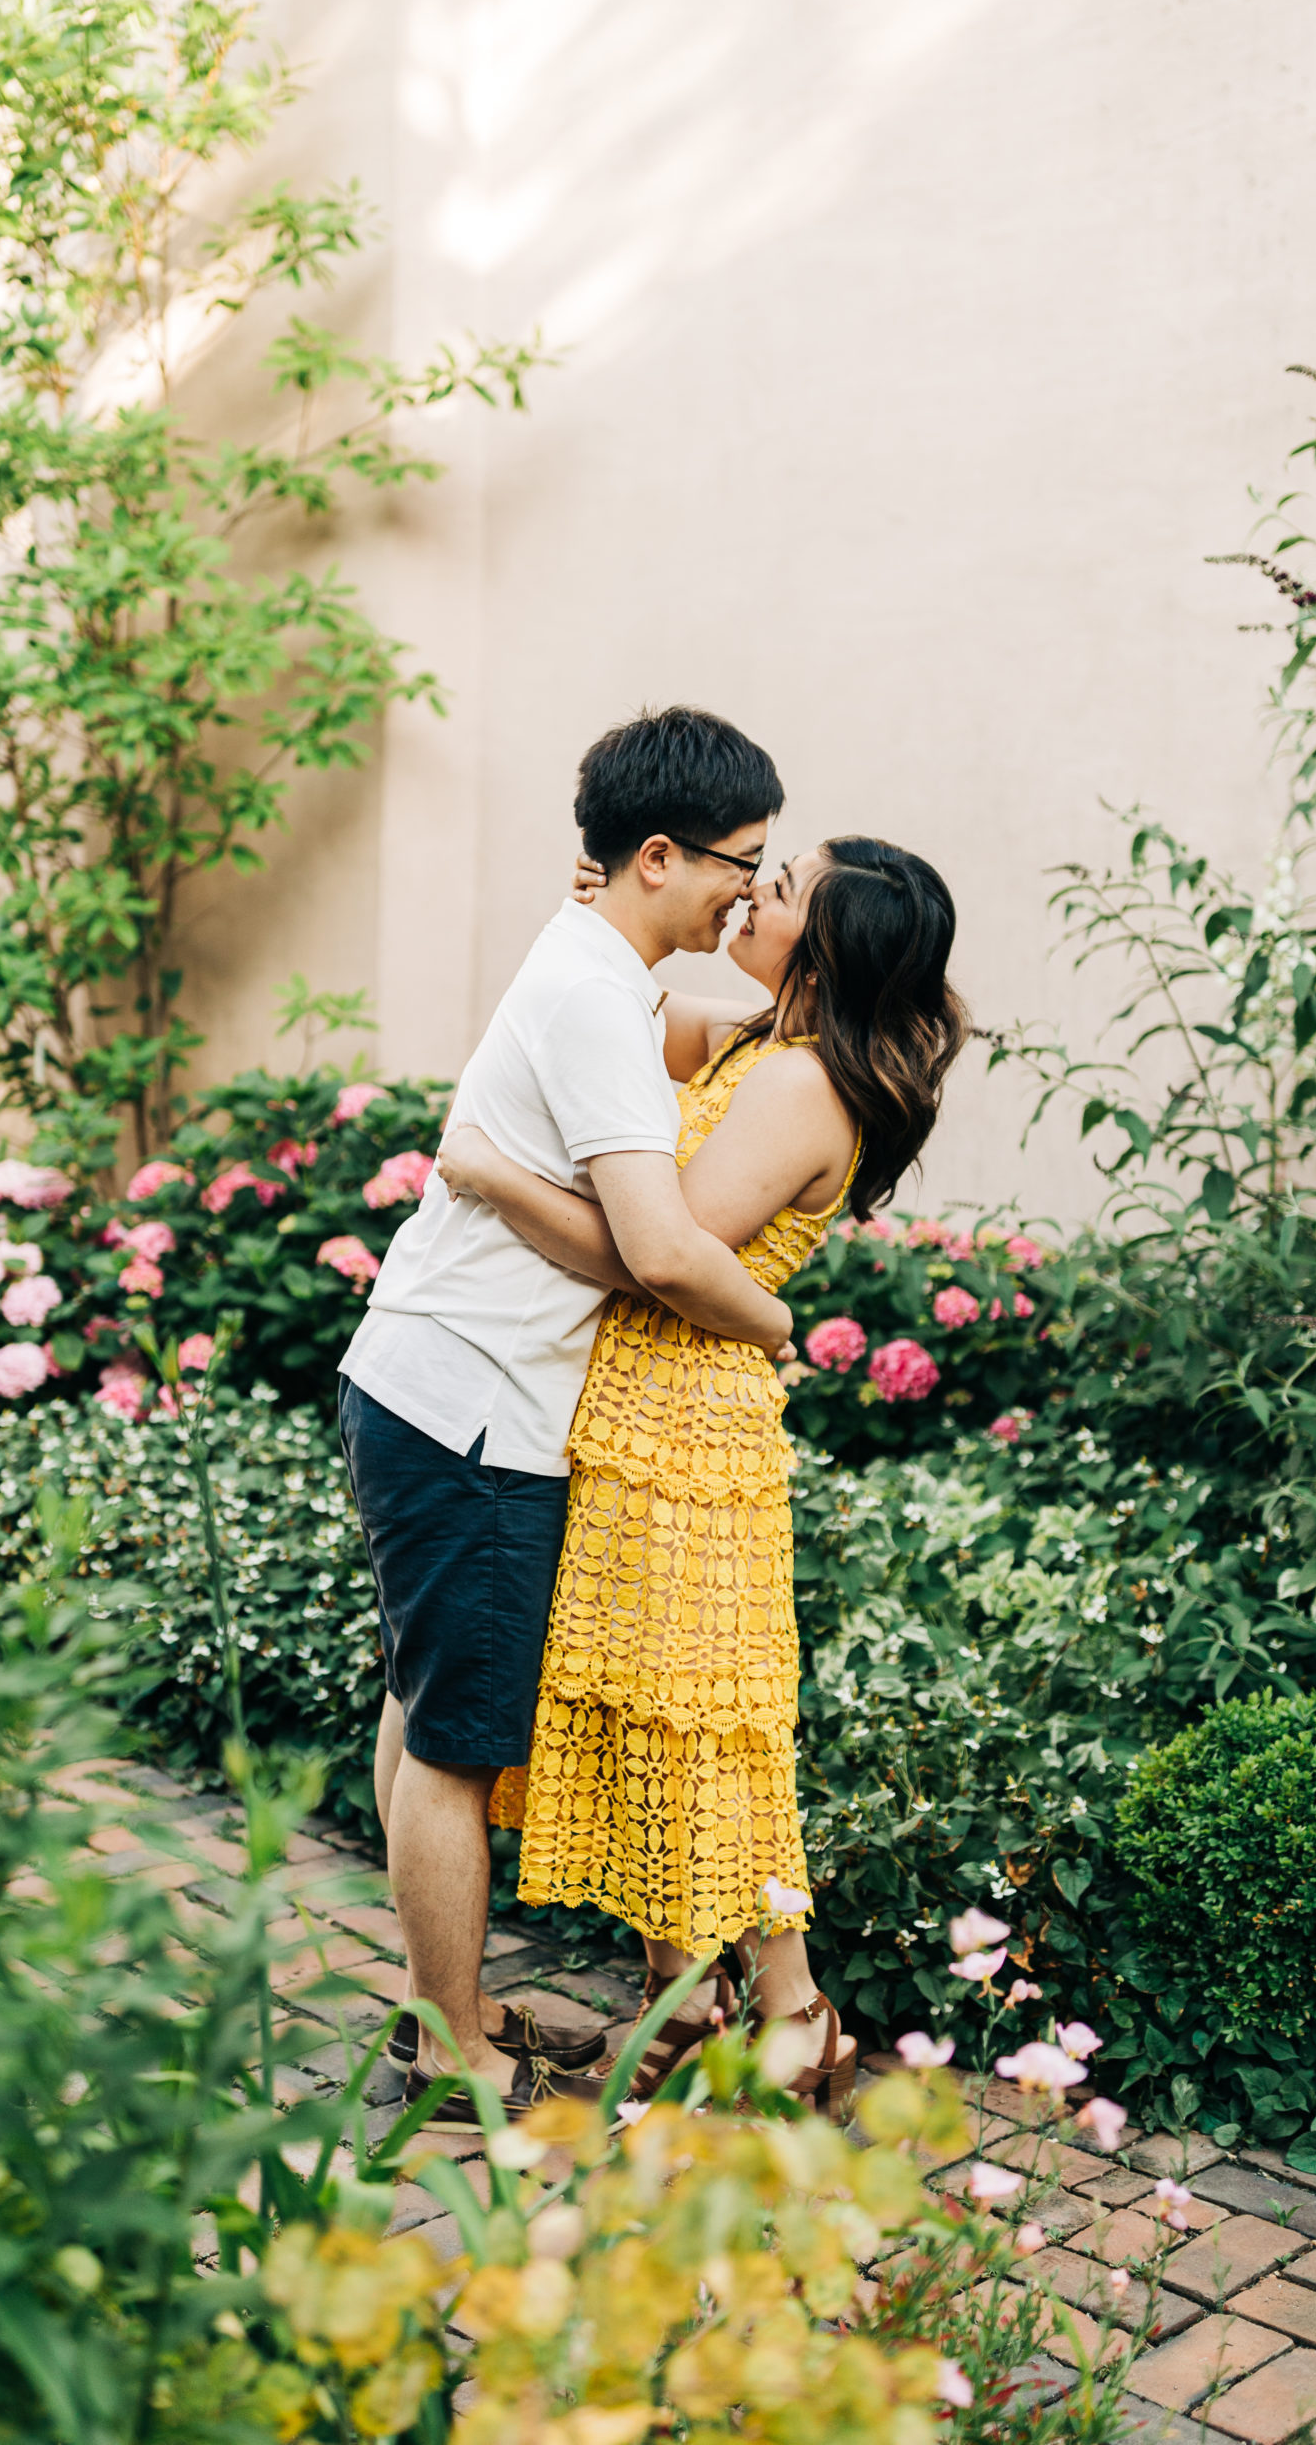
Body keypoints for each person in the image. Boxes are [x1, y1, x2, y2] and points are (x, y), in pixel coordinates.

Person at [436, 834, 967, 2112]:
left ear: (825, 946)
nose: (752, 890)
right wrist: (609, 912)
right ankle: (691, 2000)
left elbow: (651, 1252)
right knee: (640, 1710)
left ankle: (797, 2017)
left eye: (780, 891)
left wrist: (497, 1179)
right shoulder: (763, 1043)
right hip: (636, 1415)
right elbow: (631, 1014)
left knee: (703, 1729)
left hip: (689, 1432)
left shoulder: (798, 1088)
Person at [337, 705, 794, 2127]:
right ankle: (452, 2054)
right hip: (472, 1410)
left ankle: (450, 2010)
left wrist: (781, 1012)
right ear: (652, 856)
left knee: (427, 1711)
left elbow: (678, 1030)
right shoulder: (596, 999)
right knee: (458, 1743)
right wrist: (772, 1321)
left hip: (436, 1385)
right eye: (739, 863)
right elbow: (655, 1257)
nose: (746, 889)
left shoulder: (594, 956)